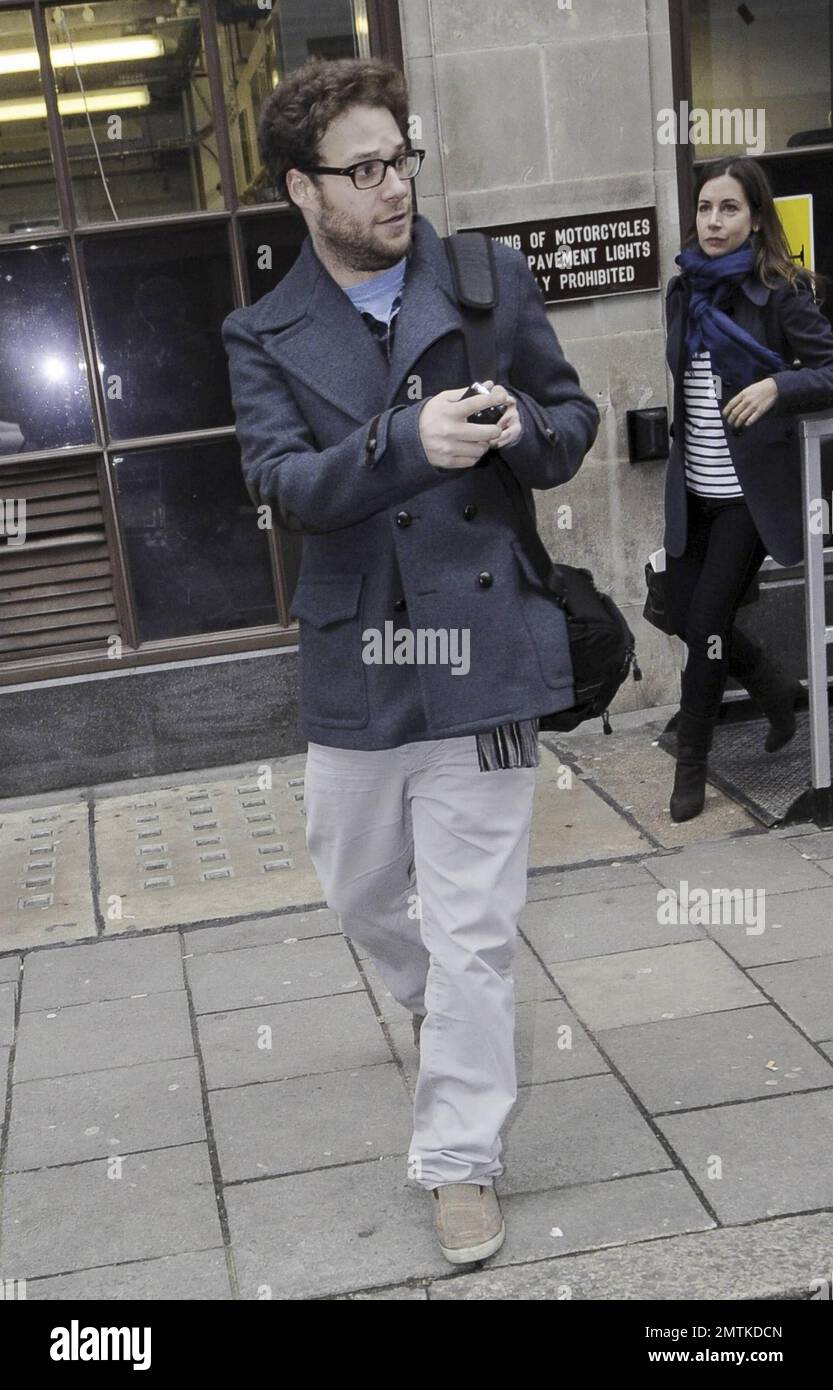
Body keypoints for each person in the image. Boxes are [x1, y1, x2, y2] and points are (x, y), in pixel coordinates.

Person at [221, 56, 598, 1264]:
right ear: (302, 190)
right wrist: (403, 443)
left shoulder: (485, 281)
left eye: (403, 159)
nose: (393, 187)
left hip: (483, 648)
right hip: (361, 654)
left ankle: (459, 1160)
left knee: (476, 929)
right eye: (364, 169)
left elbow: (570, 423)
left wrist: (516, 429)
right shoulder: (261, 329)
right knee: (359, 890)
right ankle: (448, 1015)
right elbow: (280, 485)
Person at [663, 155, 833, 822]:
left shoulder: (779, 291)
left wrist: (775, 385)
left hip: (747, 494)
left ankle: (690, 770)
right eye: (705, 208)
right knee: (679, 615)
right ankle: (769, 684)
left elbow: (829, 369)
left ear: (755, 217)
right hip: (691, 486)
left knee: (705, 624)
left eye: (728, 208)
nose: (713, 221)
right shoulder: (683, 290)